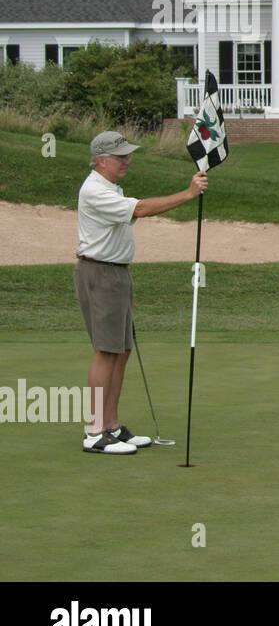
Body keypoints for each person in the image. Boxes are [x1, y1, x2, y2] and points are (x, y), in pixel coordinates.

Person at [76, 131, 207, 455]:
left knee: (121, 350)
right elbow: (142, 209)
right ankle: (94, 432)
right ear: (102, 159)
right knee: (106, 351)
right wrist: (188, 194)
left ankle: (112, 426)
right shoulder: (94, 190)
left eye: (127, 155)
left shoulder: (109, 187)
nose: (127, 161)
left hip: (117, 274)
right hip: (100, 272)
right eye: (121, 157)